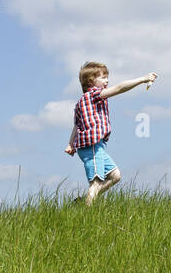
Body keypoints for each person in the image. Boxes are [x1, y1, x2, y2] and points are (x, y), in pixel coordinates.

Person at [64, 61, 156, 205]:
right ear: (91, 81)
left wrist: (70, 144)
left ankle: (84, 201)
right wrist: (142, 79)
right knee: (96, 181)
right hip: (92, 146)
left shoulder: (80, 102)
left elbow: (77, 125)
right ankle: (87, 212)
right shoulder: (94, 95)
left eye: (107, 77)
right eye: (103, 77)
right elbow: (119, 88)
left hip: (96, 146)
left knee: (115, 176)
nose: (107, 80)